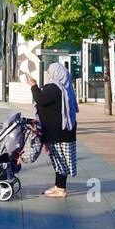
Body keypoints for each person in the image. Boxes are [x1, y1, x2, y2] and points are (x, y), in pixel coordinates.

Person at [27, 63, 79, 197]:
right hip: (64, 130)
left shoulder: (54, 87)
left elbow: (40, 99)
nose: (49, 74)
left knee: (59, 159)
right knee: (59, 159)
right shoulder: (65, 87)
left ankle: (61, 190)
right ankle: (59, 186)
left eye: (50, 72)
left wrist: (33, 85)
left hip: (56, 132)